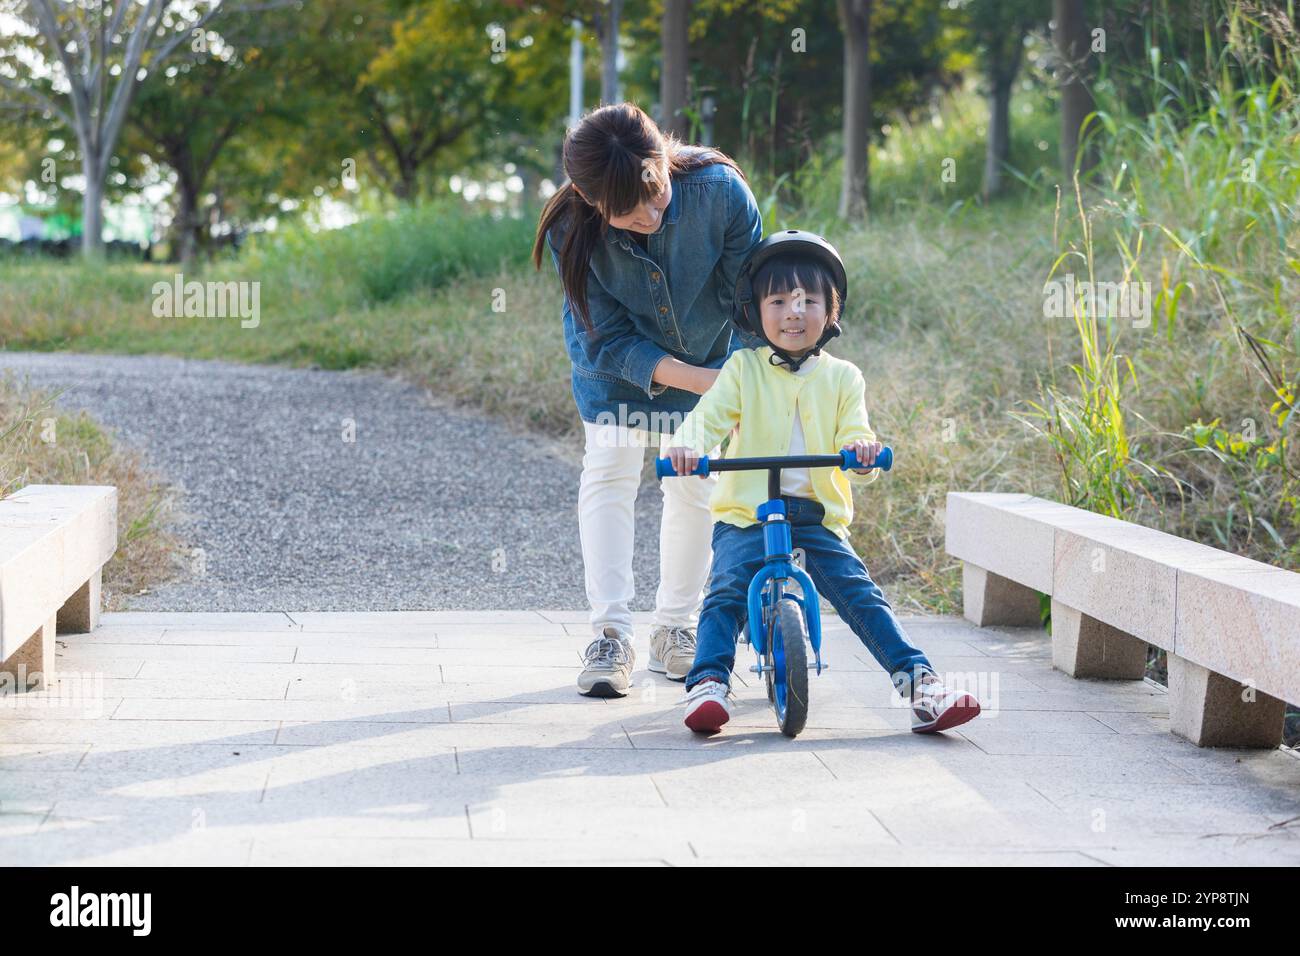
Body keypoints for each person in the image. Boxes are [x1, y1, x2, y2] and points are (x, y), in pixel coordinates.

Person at [664, 230, 982, 734]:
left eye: (808, 299)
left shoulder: (843, 377)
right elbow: (709, 418)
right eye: (778, 300)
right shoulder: (742, 368)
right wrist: (688, 447)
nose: (794, 311)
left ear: (831, 311)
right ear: (755, 311)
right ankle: (707, 683)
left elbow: (855, 430)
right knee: (725, 590)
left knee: (861, 595)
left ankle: (921, 684)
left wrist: (861, 452)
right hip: (748, 515)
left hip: (814, 516)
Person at [531, 103, 765, 697]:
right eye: (630, 216)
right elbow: (602, 338)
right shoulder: (569, 229)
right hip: (618, 376)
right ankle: (610, 633)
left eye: (656, 195)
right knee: (610, 471)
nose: (652, 215)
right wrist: (708, 384)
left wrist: (740, 383)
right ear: (589, 198)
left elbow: (752, 304)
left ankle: (675, 630)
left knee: (692, 483)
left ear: (662, 156)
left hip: (713, 360)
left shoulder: (721, 191)